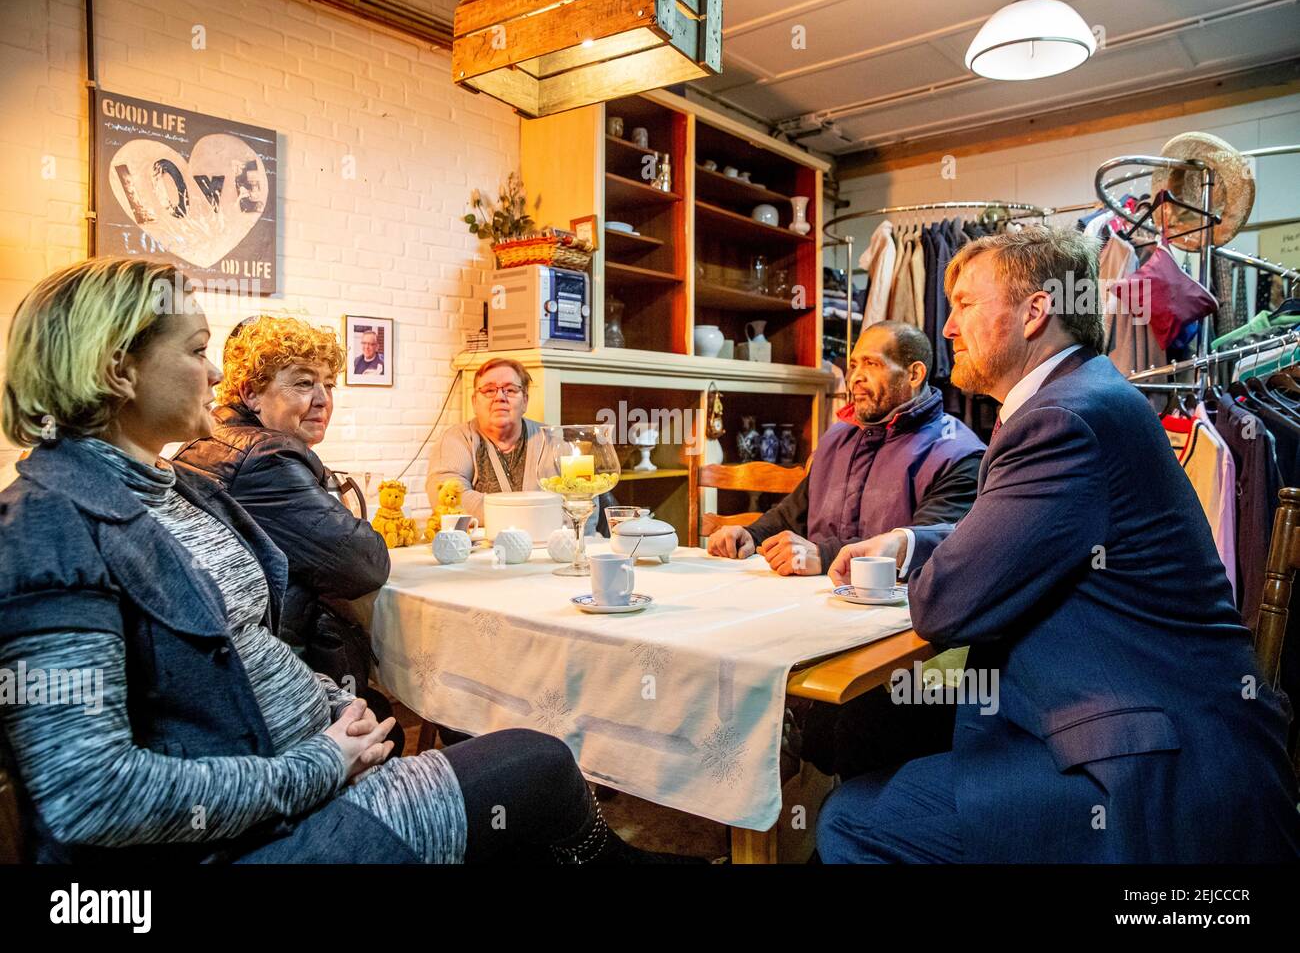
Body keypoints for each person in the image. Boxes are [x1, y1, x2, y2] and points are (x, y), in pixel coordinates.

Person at [0, 257, 694, 864]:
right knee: (537, 765)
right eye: (196, 350)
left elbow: (249, 643)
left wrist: (332, 705)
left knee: (530, 795)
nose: (215, 372)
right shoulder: (48, 528)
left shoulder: (171, 485)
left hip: (310, 770)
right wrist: (322, 760)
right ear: (118, 369)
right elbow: (88, 796)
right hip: (250, 834)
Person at [820, 228, 1300, 863]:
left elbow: (946, 608)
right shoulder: (1083, 394)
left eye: (964, 304)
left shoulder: (1060, 420)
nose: (947, 329)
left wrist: (938, 566)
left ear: (1035, 310)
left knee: (848, 818)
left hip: (1147, 761)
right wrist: (912, 540)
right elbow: (1016, 537)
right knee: (867, 729)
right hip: (1148, 710)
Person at [172, 315, 401, 754]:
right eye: (302, 383)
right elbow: (365, 564)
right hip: (285, 680)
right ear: (251, 393)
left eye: (329, 384)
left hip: (234, 679)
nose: (322, 400)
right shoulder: (266, 456)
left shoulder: (206, 441)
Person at [708, 322, 984, 577]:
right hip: (819, 597)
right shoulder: (837, 437)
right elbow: (793, 513)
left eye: (872, 364)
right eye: (853, 364)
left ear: (914, 374)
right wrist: (750, 534)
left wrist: (823, 556)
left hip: (899, 613)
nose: (855, 378)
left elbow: (927, 548)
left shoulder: (957, 454)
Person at [426, 357, 545, 521]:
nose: (500, 397)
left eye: (510, 390)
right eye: (489, 391)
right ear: (474, 402)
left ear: (525, 401)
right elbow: (448, 501)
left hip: (544, 544)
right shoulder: (456, 439)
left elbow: (578, 502)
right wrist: (532, 512)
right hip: (480, 546)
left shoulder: (551, 440)